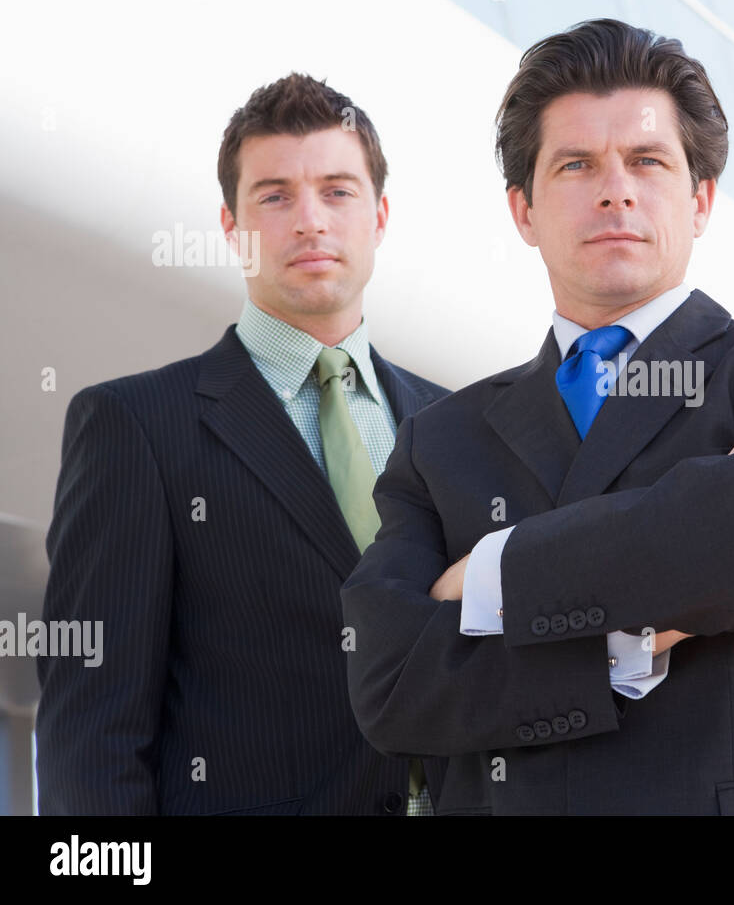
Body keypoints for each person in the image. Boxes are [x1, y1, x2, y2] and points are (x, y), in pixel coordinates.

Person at [341, 18, 734, 815]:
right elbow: (390, 685)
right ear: (523, 211)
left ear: (699, 200)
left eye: (647, 161)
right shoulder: (440, 440)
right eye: (576, 164)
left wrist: (492, 573)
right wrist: (630, 630)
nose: (616, 188)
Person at [36, 73, 448, 814]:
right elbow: (88, 734)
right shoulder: (134, 428)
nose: (310, 220)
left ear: (380, 216)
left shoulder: (456, 427)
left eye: (337, 190)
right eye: (274, 195)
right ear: (231, 227)